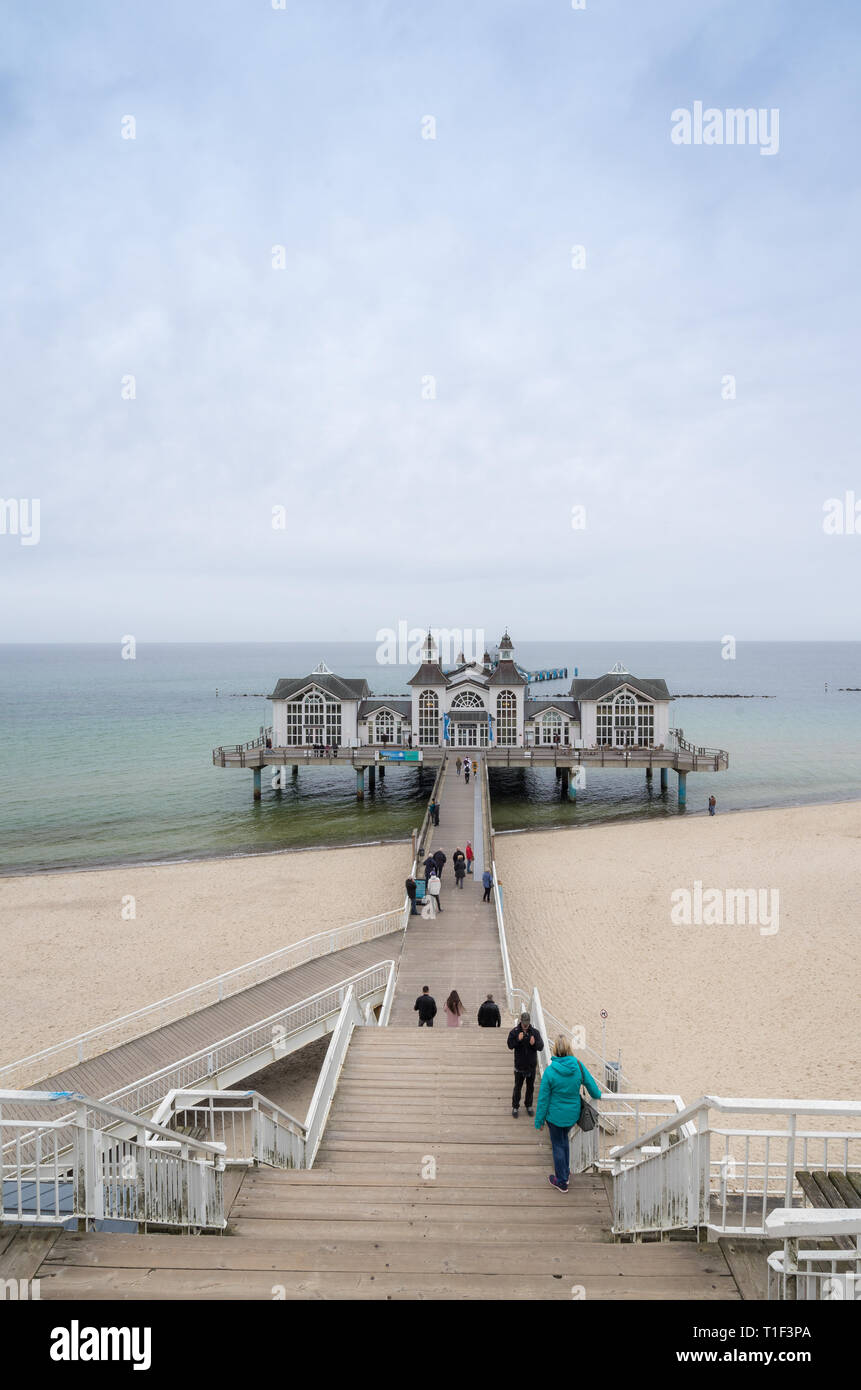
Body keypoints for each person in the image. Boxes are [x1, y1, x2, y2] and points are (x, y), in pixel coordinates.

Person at [535, 1036, 602, 1194]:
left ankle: (562, 1181)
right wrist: (597, 1094)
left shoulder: (551, 1071)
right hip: (572, 1115)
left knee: (558, 1145)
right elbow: (591, 1086)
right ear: (569, 1049)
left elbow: (543, 1099)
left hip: (554, 1117)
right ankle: (565, 1171)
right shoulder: (578, 1066)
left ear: (555, 1051)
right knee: (564, 1141)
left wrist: (539, 1121)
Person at [507, 1011, 544, 1118]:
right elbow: (510, 1045)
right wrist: (518, 1040)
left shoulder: (535, 1032)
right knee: (517, 1087)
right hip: (519, 1066)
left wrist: (534, 1043)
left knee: (530, 1087)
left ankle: (528, 1105)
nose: (525, 1025)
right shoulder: (514, 1032)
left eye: (527, 1023)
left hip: (531, 1066)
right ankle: (515, 1107)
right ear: (521, 1021)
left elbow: (541, 1047)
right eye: (524, 1023)